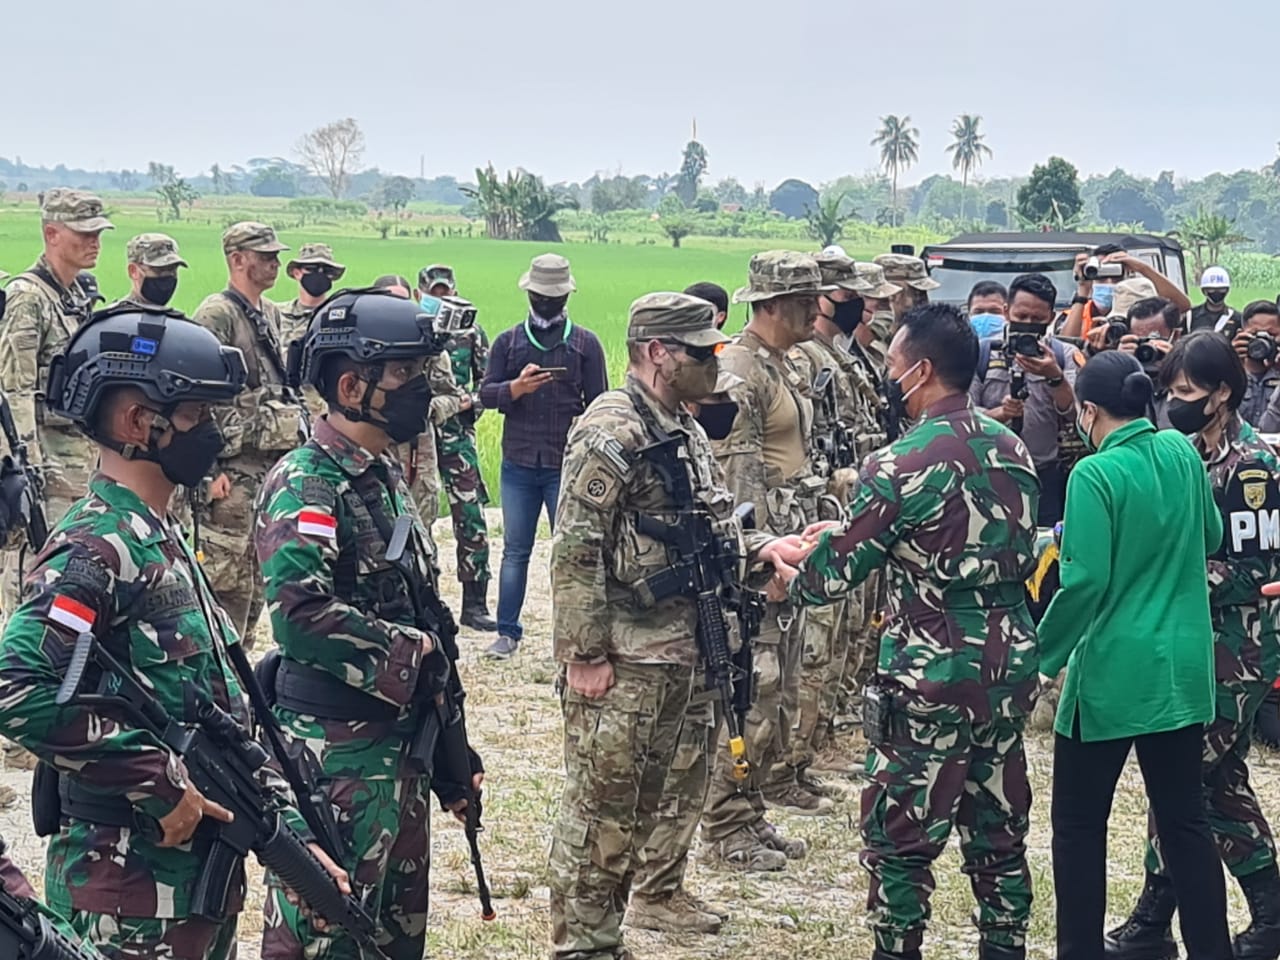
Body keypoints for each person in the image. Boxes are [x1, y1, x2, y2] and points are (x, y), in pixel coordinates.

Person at [0, 304, 346, 960]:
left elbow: (226, 725)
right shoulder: (97, 545)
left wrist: (296, 847)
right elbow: (17, 685)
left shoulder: (158, 538)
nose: (212, 433)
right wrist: (159, 778)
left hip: (190, 897)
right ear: (139, 423)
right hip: (125, 896)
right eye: (196, 417)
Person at [777, 302, 1041, 960]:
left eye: (893, 366)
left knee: (900, 841)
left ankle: (898, 950)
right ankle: (1004, 946)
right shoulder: (1013, 451)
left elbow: (831, 579)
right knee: (999, 834)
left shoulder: (898, 464)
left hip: (930, 675)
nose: (888, 377)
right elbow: (963, 537)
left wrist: (782, 564)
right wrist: (853, 533)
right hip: (1007, 668)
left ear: (920, 371)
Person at [548, 292, 792, 956]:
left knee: (649, 805)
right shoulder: (613, 429)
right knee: (602, 810)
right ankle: (582, 944)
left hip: (678, 650)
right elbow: (576, 548)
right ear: (659, 353)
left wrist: (759, 555)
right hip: (625, 658)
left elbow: (701, 529)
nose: (717, 361)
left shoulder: (676, 424)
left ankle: (616, 927)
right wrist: (585, 652)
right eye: (703, 351)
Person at [254, 288, 483, 960]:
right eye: (407, 376)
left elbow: (409, 601)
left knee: (392, 937)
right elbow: (300, 615)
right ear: (353, 385)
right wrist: (414, 658)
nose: (422, 390)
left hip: (397, 751)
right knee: (327, 933)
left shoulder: (381, 472)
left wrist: (449, 749)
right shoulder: (308, 481)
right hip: (337, 760)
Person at [1036, 349, 1231, 960]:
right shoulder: (1180, 450)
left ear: (1089, 411)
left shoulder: (1094, 475)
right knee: (1185, 825)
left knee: (1078, 828)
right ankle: (1211, 951)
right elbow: (1213, 537)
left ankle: (1080, 952)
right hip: (1182, 670)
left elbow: (1085, 580)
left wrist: (1039, 656)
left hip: (1114, 676)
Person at [1105, 334, 1280, 960]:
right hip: (1196, 644)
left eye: (1186, 394)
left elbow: (1255, 571)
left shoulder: (1251, 466)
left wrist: (1168, 570)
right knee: (1218, 780)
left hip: (1242, 646)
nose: (1174, 405)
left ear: (1223, 393)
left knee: (1180, 776)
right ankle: (1270, 915)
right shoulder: (1187, 454)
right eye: (1169, 393)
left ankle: (1153, 919)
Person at [700, 250, 835, 871]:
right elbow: (737, 480)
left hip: (789, 541)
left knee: (779, 690)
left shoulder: (787, 365)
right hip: (761, 555)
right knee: (751, 690)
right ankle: (726, 822)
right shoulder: (739, 372)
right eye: (806, 301)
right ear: (773, 305)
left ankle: (752, 810)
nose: (818, 310)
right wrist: (758, 564)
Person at [478, 253, 607, 660]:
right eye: (541, 296)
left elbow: (601, 405)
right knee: (516, 548)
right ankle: (507, 631)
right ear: (530, 294)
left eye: (553, 296)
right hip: (518, 461)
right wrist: (515, 389)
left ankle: (574, 635)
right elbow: (485, 394)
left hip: (565, 465)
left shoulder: (585, 344)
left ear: (565, 297)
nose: (547, 303)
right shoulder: (508, 342)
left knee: (571, 551)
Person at [192, 222, 307, 644]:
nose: (275, 263)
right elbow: (198, 403)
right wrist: (207, 470)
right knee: (226, 587)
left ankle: (241, 681)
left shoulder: (270, 314)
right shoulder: (216, 315)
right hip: (231, 477)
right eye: (265, 256)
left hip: (267, 472)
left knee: (258, 584)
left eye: (276, 255)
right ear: (237, 259)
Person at [786, 251, 877, 782]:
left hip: (844, 499)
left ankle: (820, 736)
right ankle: (799, 751)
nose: (859, 307)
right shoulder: (807, 360)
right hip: (818, 504)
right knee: (814, 640)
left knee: (844, 631)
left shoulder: (840, 356)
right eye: (846, 297)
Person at [0, 188, 112, 612]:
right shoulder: (29, 299)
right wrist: (26, 471)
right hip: (43, 474)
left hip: (77, 470)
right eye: (83, 233)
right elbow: (14, 391)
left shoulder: (73, 299)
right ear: (51, 233)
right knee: (30, 590)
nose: (94, 242)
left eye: (98, 232)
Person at [419, 264, 497, 632]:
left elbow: (490, 386)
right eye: (434, 292)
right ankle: (423, 595)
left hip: (455, 433)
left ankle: (475, 601)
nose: (442, 298)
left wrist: (470, 403)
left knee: (470, 514)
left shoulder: (471, 332)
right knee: (418, 511)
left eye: (446, 291)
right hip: (416, 434)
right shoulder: (412, 326)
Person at [970, 273, 1080, 524]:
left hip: (1045, 476)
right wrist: (1000, 413)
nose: (1028, 324)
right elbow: (961, 413)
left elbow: (1078, 415)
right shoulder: (980, 353)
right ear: (1007, 311)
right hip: (990, 473)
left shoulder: (1065, 356)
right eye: (1021, 317)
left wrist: (1055, 377)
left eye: (1037, 319)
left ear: (1051, 318)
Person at [1061, 245, 1191, 341]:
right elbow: (1064, 344)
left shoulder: (1142, 311)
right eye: (1101, 277)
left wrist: (1143, 268)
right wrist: (1083, 289)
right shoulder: (1077, 314)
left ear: (1129, 276)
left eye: (1116, 277)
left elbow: (1182, 305)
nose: (1109, 283)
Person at [279, 242, 346, 346]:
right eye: (311, 268)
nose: (319, 274)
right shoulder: (276, 313)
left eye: (327, 270)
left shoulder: (339, 317)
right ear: (297, 273)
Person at [1236, 300, 1280, 430]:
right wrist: (1229, 361)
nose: (1262, 340)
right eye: (1255, 335)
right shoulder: (1228, 375)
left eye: (1271, 334)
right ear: (1241, 334)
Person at [116, 233, 187, 308]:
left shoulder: (174, 318)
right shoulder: (112, 317)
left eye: (172, 270)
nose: (167, 276)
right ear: (133, 271)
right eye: (160, 270)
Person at [874, 252, 939, 322]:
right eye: (916, 294)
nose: (925, 301)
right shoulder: (871, 329)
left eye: (923, 294)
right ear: (892, 294)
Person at [1189, 266, 1238, 335]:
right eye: (1212, 289)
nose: (1217, 292)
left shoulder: (1236, 317)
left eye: (1221, 289)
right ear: (1203, 291)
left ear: (1227, 290)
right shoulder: (1190, 316)